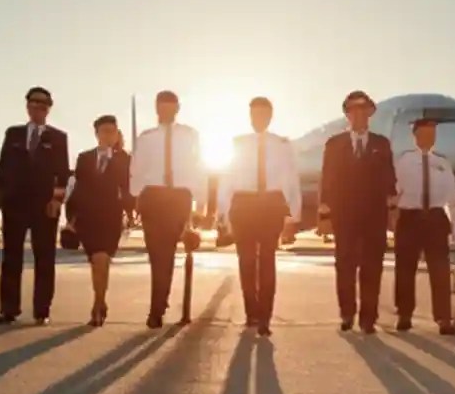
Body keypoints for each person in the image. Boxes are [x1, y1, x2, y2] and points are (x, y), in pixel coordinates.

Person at [217, 97, 301, 337]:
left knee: (267, 260)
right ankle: (251, 312)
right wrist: (222, 211)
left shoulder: (282, 145)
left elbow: (291, 179)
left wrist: (293, 214)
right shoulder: (238, 143)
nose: (258, 119)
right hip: (243, 203)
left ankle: (265, 316)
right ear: (250, 117)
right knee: (246, 261)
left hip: (271, 204)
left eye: (263, 115)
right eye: (254, 115)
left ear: (270, 116)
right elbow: (227, 178)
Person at [0, 86, 71, 326]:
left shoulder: (58, 138)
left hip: (44, 205)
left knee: (44, 257)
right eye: (34, 103)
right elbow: (3, 168)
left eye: (43, 105)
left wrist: (56, 201)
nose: (38, 108)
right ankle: (9, 309)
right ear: (27, 106)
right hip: (15, 204)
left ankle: (42, 310)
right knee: (11, 257)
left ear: (49, 108)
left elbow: (62, 172)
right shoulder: (13, 134)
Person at [320, 90, 396, 334]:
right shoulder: (334, 144)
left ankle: (368, 318)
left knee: (372, 266)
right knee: (345, 265)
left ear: (370, 113)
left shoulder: (381, 144)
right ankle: (347, 313)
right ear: (347, 115)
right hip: (345, 216)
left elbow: (389, 179)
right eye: (353, 110)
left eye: (363, 110)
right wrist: (324, 214)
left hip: (375, 216)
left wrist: (393, 211)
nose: (358, 115)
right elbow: (327, 179)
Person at [129, 90, 203, 328]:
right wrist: (135, 198)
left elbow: (197, 167)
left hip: (179, 196)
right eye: (162, 107)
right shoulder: (146, 137)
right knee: (158, 255)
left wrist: (199, 202)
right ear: (156, 109)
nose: (166, 111)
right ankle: (157, 307)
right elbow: (136, 169)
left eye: (170, 107)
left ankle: (161, 303)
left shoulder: (190, 135)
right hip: (154, 196)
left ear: (177, 108)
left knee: (173, 251)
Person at [392, 118, 455, 335]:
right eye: (424, 134)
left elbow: (453, 199)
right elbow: (393, 193)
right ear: (415, 136)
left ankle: (443, 317)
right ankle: (404, 314)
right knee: (405, 270)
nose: (429, 139)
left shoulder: (443, 163)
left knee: (440, 270)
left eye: (432, 135)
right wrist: (391, 217)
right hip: (409, 218)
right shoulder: (403, 162)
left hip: (435, 218)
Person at [65, 114, 132, 327]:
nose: (108, 135)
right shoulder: (84, 158)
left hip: (111, 218)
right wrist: (71, 218)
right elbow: (79, 188)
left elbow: (129, 189)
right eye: (104, 131)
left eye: (112, 131)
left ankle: (98, 303)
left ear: (117, 134)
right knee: (96, 262)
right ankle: (100, 300)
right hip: (88, 217)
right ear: (97, 134)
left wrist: (132, 213)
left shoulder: (124, 159)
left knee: (102, 259)